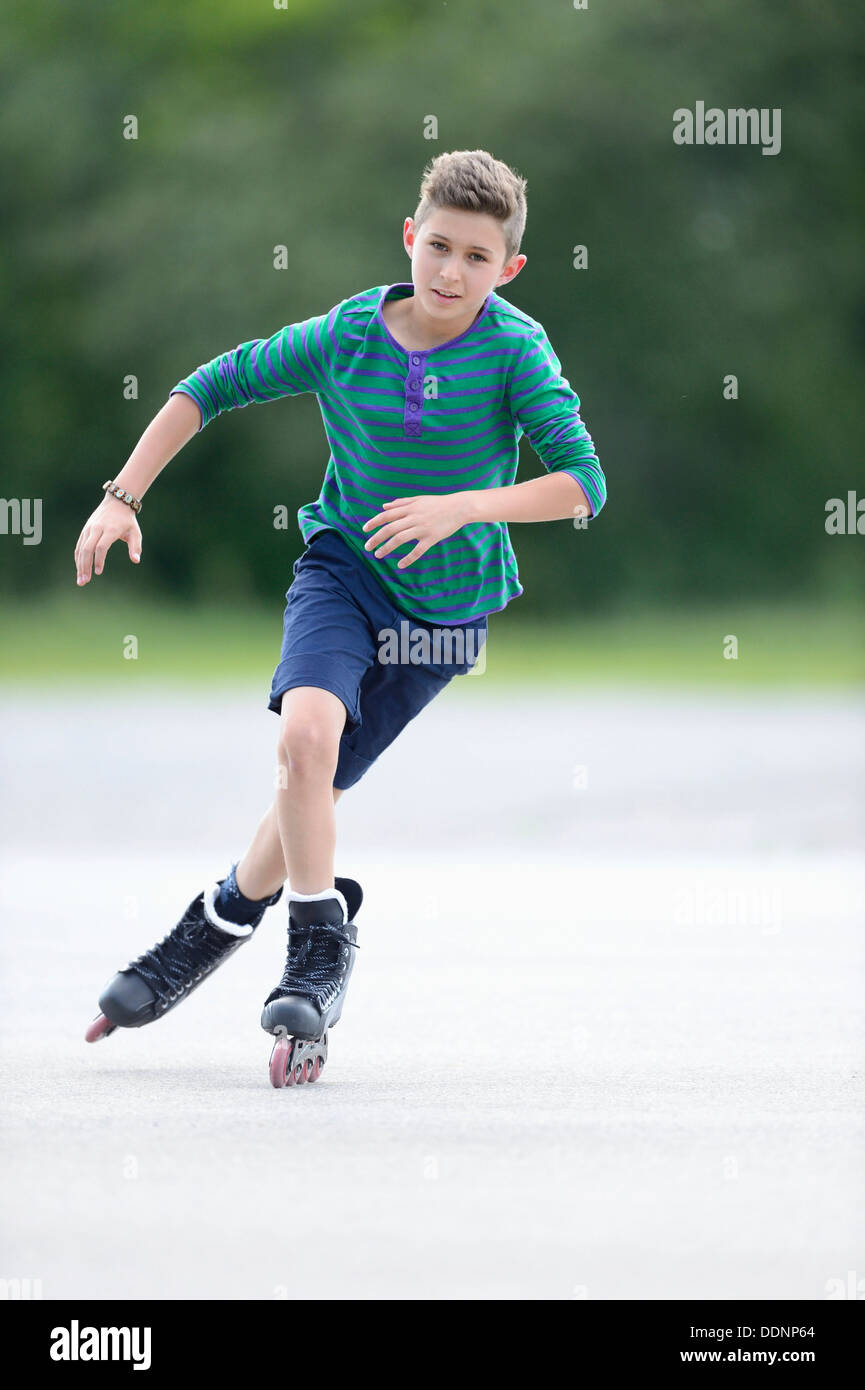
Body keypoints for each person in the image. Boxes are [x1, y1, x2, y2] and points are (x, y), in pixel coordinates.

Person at [74, 148, 607, 1087]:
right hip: (344, 571)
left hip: (444, 618)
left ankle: (219, 920)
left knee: (314, 788)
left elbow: (583, 485)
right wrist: (122, 497)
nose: (450, 273)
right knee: (305, 739)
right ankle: (317, 953)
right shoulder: (345, 336)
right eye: (437, 247)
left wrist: (464, 505)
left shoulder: (514, 349)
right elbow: (209, 385)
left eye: (476, 259)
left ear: (507, 270)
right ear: (409, 237)